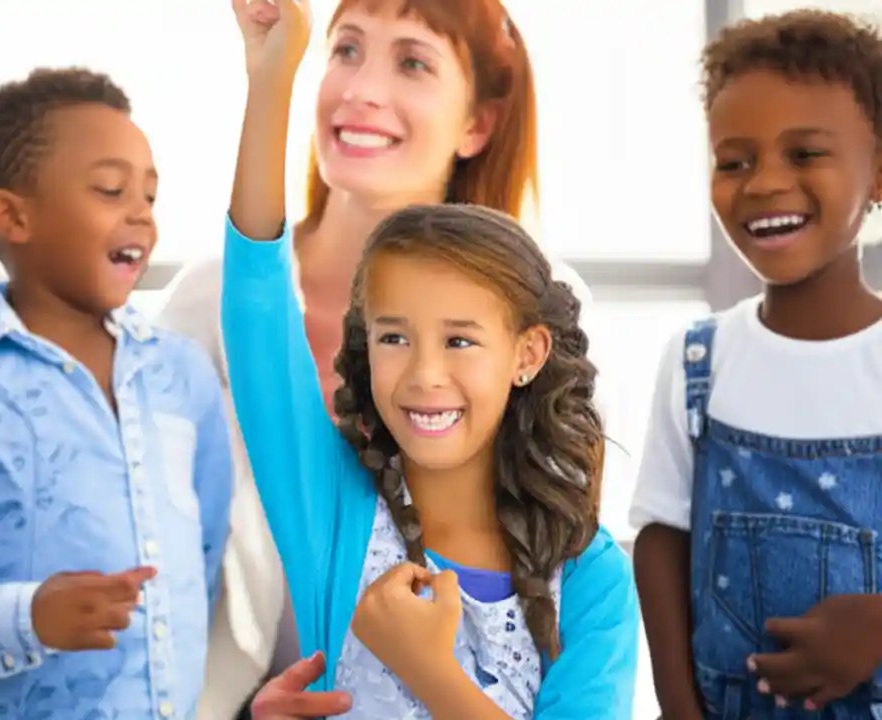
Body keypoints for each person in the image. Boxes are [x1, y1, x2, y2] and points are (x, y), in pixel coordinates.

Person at [156, 1, 607, 715]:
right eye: (393, 337)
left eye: (461, 339)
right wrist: (270, 80)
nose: (426, 374)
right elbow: (254, 307)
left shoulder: (593, 573)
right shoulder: (337, 516)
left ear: (529, 353)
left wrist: (427, 668)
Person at [0, 67, 234, 720]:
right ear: (13, 215)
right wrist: (28, 616)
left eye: (149, 195)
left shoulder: (180, 372)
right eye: (110, 189)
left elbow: (208, 547)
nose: (141, 215)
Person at [631, 10, 882, 720]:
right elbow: (660, 537)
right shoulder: (696, 362)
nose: (765, 183)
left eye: (804, 154)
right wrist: (679, 706)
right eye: (734, 161)